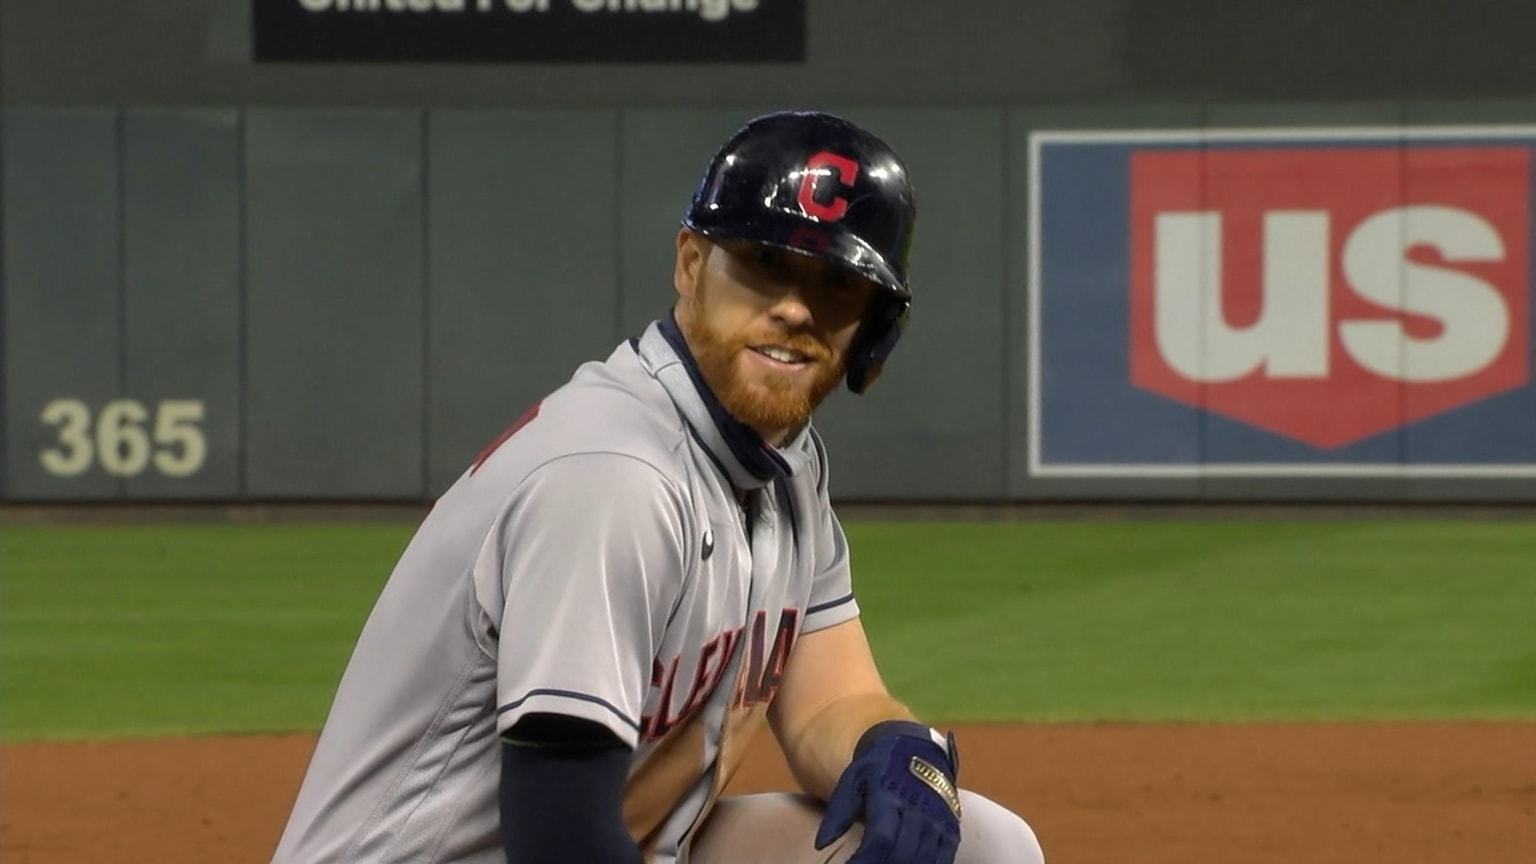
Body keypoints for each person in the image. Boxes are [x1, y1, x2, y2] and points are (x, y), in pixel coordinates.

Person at [271, 110, 1045, 864]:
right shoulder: (612, 481)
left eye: (837, 284)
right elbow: (559, 829)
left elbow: (830, 704)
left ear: (873, 325)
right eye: (764, 263)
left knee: (985, 847)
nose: (794, 308)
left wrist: (894, 745)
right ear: (691, 265)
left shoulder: (785, 465)